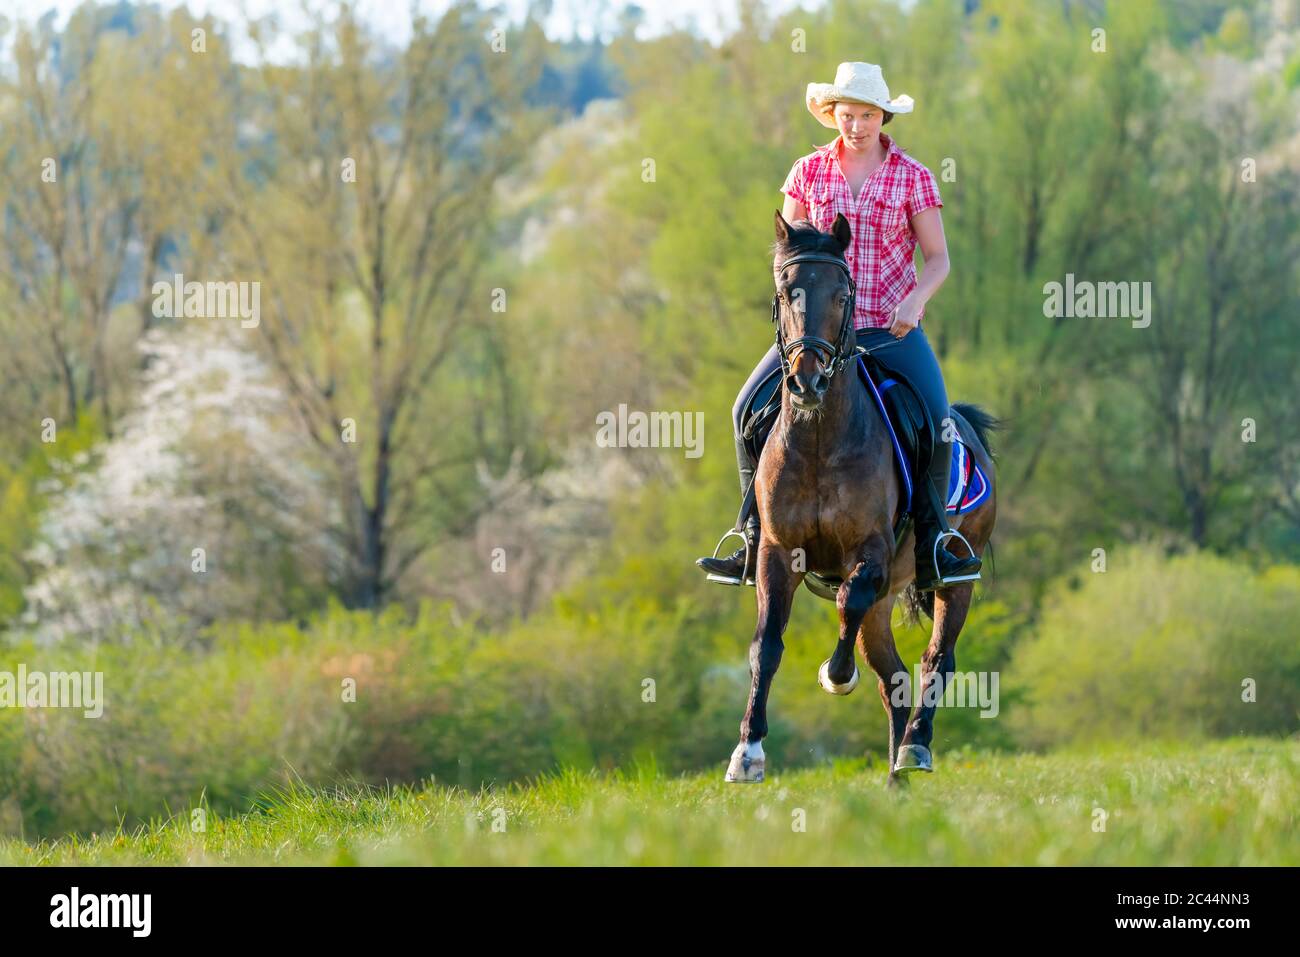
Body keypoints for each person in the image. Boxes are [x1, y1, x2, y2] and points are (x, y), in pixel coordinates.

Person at [696, 61, 982, 592]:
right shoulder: (806, 173)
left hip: (889, 329)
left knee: (939, 420)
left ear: (883, 116)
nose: (857, 125)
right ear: (832, 115)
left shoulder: (913, 177)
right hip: (817, 337)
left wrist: (916, 301)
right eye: (847, 115)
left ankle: (936, 542)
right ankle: (751, 537)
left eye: (867, 115)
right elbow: (786, 256)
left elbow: (939, 259)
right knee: (743, 410)